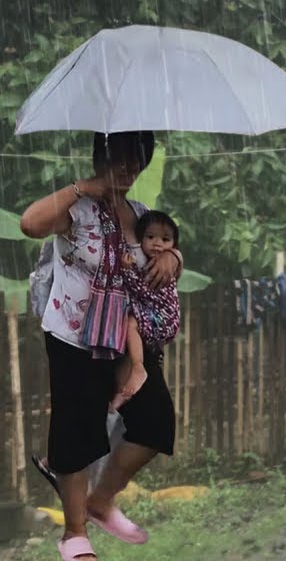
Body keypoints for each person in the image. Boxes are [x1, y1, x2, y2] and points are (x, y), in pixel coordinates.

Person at [20, 131, 181, 561]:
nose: (129, 168)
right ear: (100, 158)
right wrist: (81, 189)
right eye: (119, 159)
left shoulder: (142, 213)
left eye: (137, 159)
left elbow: (164, 244)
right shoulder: (78, 208)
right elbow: (30, 224)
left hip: (124, 342)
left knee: (155, 423)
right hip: (74, 337)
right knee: (76, 432)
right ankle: (75, 535)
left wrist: (172, 258)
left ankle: (101, 500)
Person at [111, 211, 183, 412]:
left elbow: (144, 293)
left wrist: (127, 270)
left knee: (132, 323)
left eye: (165, 239)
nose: (157, 243)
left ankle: (138, 367)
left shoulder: (162, 269)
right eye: (150, 237)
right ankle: (123, 394)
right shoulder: (153, 263)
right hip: (159, 317)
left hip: (163, 319)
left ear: (174, 246)